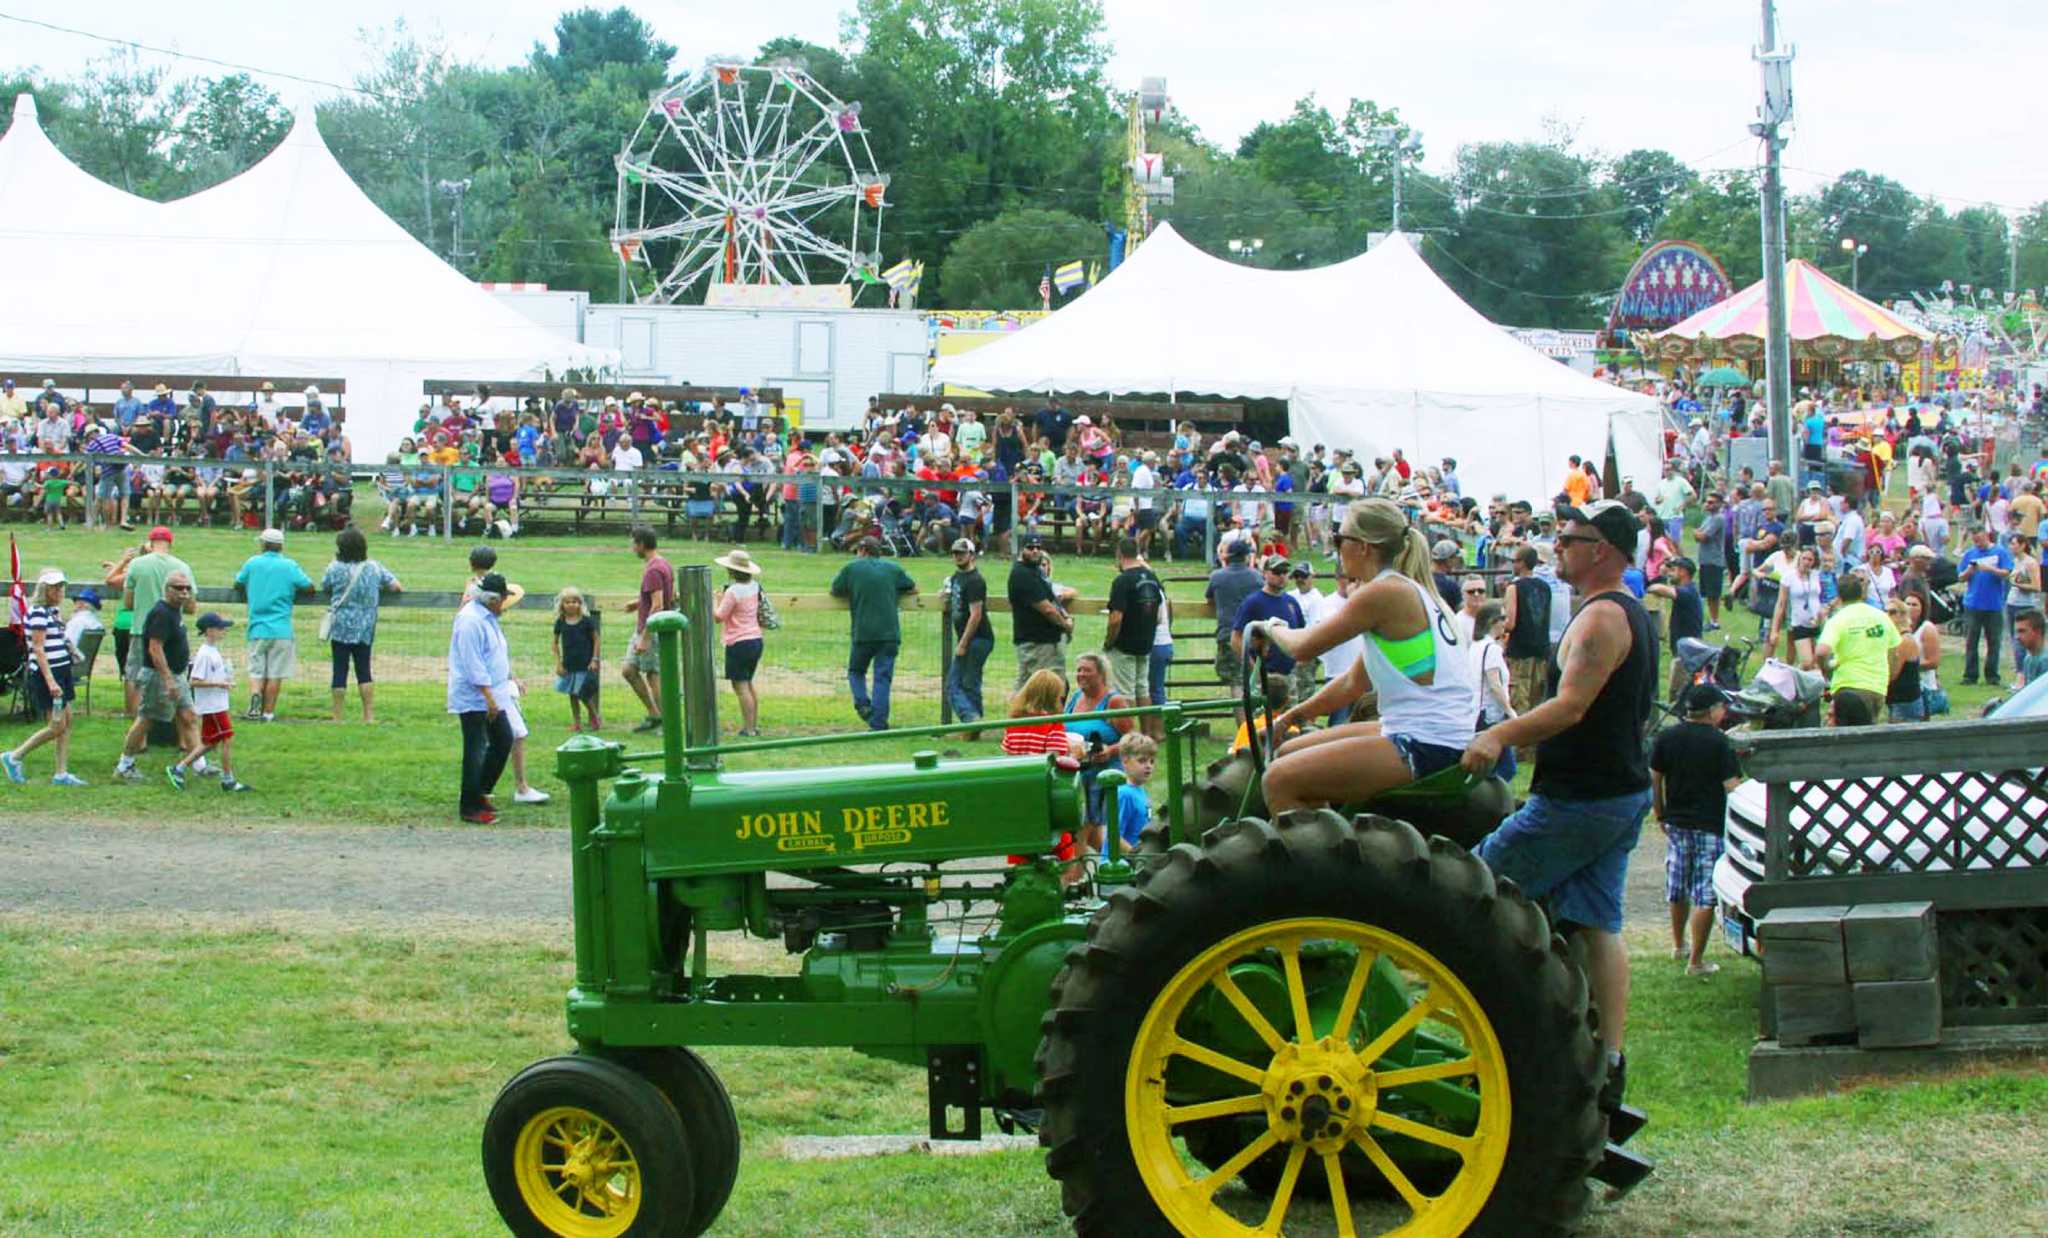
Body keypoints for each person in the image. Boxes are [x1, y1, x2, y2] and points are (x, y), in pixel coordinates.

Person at [1463, 500, 1657, 1113]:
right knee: (1599, 925)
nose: (1558, 546)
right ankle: (1609, 1063)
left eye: (1569, 538)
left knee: (1468, 891)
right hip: (1617, 793)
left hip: (1581, 798)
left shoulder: (1602, 621)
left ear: (1602, 549)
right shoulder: (1628, 612)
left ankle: (1483, 1051)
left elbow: (1571, 706)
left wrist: (1498, 734)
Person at [1255, 499, 1477, 810]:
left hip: (1427, 741)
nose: (1335, 547)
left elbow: (1303, 647)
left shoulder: (1385, 592)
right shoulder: (1408, 591)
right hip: (1429, 733)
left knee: (1277, 779)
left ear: (1363, 547)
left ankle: (1317, 854)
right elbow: (1352, 684)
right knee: (1287, 754)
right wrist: (1289, 719)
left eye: (1338, 538)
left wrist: (1270, 625)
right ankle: (1327, 838)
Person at [1649, 684, 1744, 977]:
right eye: (1722, 708)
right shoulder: (1719, 743)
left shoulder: (1667, 737)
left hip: (1676, 822)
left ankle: (1679, 945)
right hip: (1709, 825)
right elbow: (1731, 787)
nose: (1724, 713)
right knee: (1705, 893)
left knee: (1678, 886)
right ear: (1712, 711)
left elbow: (1655, 777)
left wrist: (1660, 811)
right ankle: (1697, 962)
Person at [116, 570, 205, 784]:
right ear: (167, 590)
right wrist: (167, 680)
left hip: (177, 674)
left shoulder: (175, 611)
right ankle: (124, 764)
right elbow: (155, 649)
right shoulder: (162, 613)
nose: (184, 592)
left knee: (189, 717)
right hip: (160, 677)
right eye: (178, 588)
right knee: (147, 719)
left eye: (187, 588)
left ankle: (199, 765)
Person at [1, 569, 87, 786]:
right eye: (55, 587)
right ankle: (14, 757)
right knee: (56, 724)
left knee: (66, 722)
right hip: (48, 674)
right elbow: (38, 649)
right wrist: (50, 681)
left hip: (61, 671)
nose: (59, 591)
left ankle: (61, 773)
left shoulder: (52, 612)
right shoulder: (38, 612)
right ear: (45, 590)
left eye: (61, 587)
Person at [830, 536, 917, 731]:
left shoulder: (852, 569)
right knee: (882, 678)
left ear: (862, 550)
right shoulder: (893, 569)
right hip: (889, 634)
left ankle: (862, 704)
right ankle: (878, 723)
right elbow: (912, 587)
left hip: (863, 632)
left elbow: (835, 590)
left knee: (856, 671)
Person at [450, 572, 515, 824]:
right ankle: (469, 806)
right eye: (502, 599)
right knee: (475, 749)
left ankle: (480, 791)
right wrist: (488, 697)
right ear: (491, 599)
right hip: (474, 696)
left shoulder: (487, 618)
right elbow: (472, 663)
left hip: (491, 693)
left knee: (503, 739)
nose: (505, 604)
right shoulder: (470, 621)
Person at [321, 526, 402, 724]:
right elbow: (396, 586)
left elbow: (325, 586)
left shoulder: (334, 568)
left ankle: (337, 716)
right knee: (364, 670)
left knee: (339, 671)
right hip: (365, 626)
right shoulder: (373, 567)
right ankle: (368, 715)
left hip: (341, 626)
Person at [234, 528, 313, 722]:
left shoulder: (252, 563)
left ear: (262, 544)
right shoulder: (289, 566)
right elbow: (309, 586)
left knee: (256, 671)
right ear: (281, 546)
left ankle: (254, 706)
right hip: (281, 628)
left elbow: (238, 582)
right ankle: (268, 713)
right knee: (276, 673)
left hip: (257, 627)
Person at [171, 613, 253, 791]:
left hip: (218, 703)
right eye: (220, 628)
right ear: (209, 631)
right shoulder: (204, 654)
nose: (224, 631)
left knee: (210, 742)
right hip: (213, 706)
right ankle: (228, 779)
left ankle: (179, 768)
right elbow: (194, 680)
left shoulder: (213, 651)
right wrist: (220, 683)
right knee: (227, 739)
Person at [1065, 651, 1134, 856]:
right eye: (1079, 670)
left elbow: (1132, 737)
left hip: (1103, 777)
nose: (1081, 674)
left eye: (1087, 670)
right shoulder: (1075, 698)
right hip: (1078, 775)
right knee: (1094, 836)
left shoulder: (1114, 701)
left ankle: (1072, 881)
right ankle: (1136, 862)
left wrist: (1110, 750)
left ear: (1101, 674)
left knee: (1082, 833)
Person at [1814, 573, 1901, 728]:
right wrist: (1887, 679)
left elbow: (1821, 651)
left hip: (1848, 686)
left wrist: (1826, 669)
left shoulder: (1838, 620)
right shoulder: (1882, 617)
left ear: (1839, 596)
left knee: (1841, 739)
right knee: (1868, 737)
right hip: (1877, 687)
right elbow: (1894, 652)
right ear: (1861, 592)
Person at [1103, 538, 1165, 734]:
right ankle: (1146, 734)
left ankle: (1128, 735)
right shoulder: (1152, 577)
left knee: (1125, 691)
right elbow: (1158, 614)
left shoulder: (1122, 581)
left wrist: (1109, 641)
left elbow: (1116, 618)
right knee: (1142, 689)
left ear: (1119, 554)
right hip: (1145, 641)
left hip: (1125, 643)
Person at [1499, 545, 1553, 762]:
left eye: (1515, 561)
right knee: (1536, 699)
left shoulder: (1514, 587)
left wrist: (1499, 628)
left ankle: (1519, 750)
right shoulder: (1544, 587)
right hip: (1541, 649)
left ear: (1521, 563)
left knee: (1518, 699)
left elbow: (1510, 622)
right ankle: (1533, 748)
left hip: (1519, 649)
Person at [621, 525, 676, 733]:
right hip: (644, 627)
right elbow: (669, 595)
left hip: (651, 631)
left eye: (633, 544)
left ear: (641, 544)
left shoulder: (654, 569)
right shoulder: (663, 564)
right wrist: (637, 603)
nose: (632, 548)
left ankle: (668, 723)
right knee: (629, 670)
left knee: (654, 676)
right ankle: (655, 714)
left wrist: (645, 637)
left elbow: (658, 605)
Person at [712, 548, 766, 737]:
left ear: (731, 571)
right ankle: (753, 725)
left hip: (739, 642)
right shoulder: (754, 586)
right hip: (755, 639)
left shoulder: (734, 591)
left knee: (740, 686)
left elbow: (718, 617)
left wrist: (714, 600)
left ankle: (749, 729)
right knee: (748, 684)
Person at [944, 538, 995, 731]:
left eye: (961, 553)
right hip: (970, 639)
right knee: (970, 683)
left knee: (954, 685)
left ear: (972, 555)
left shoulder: (975, 581)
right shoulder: (957, 577)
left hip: (978, 639)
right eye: (955, 553)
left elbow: (976, 615)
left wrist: (963, 643)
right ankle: (976, 723)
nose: (957, 556)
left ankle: (971, 720)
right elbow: (956, 595)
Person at [1009, 536, 1073, 690]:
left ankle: (1017, 713)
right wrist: (1065, 625)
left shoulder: (1035, 571)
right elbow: (1047, 608)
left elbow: (1054, 600)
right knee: (1044, 690)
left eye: (1038, 547)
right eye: (1030, 547)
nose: (1035, 551)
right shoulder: (1022, 574)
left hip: (1043, 641)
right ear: (1021, 550)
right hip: (1037, 643)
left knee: (1026, 688)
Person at [1957, 526, 2014, 686]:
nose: (1978, 543)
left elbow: (2007, 572)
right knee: (1971, 641)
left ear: (1986, 536)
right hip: (1973, 603)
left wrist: (1990, 569)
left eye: (1980, 540)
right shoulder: (1970, 554)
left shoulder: (1999, 552)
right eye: (1975, 540)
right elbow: (1960, 577)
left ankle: (1992, 675)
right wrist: (1970, 570)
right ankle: (1970, 675)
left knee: (1994, 641)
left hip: (1994, 604)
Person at [1648, 557, 1706, 701]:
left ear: (1683, 572)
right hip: (1690, 652)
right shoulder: (1690, 589)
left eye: (1673, 570)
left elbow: (1656, 589)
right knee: (1693, 690)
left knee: (1678, 696)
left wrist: (1660, 577)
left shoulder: (1687, 592)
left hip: (1687, 654)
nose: (1670, 573)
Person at [1470, 601, 1516, 780]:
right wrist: (1510, 711)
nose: (1506, 622)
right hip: (1490, 715)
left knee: (1492, 768)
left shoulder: (1475, 646)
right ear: (1492, 621)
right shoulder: (1492, 649)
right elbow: (1495, 684)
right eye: (1502, 618)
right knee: (1506, 769)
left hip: (1477, 712)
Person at [1765, 545, 1826, 668]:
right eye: (1804, 558)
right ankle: (1793, 675)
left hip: (1816, 621)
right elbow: (1781, 604)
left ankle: (1798, 679)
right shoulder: (1789, 577)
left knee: (1817, 662)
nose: (1806, 562)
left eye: (1810, 560)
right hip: (1799, 622)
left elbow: (1821, 598)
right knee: (1807, 661)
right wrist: (1774, 630)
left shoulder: (1816, 575)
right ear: (1799, 558)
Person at [552, 588, 602, 732]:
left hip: (585, 664)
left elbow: (596, 639)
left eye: (575, 602)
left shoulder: (586, 621)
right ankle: (577, 722)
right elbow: (555, 643)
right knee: (572, 694)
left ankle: (594, 717)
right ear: (562, 605)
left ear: (580, 604)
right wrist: (558, 663)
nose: (571, 605)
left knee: (583, 693)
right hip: (569, 664)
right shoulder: (560, 622)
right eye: (567, 602)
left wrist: (595, 659)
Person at [1107, 731, 1158, 859]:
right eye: (1142, 761)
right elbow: (1114, 836)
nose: (1148, 766)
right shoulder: (1124, 794)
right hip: (1121, 867)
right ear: (1125, 761)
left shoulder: (1141, 791)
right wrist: (1137, 857)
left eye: (1152, 762)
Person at [2004, 534, 2041, 683]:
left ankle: (2022, 677)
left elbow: (2036, 586)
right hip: (2012, 603)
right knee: (2014, 640)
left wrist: (2018, 584)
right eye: (2010, 544)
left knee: (2021, 641)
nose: (2011, 547)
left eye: (2014, 544)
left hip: (2025, 606)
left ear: (2023, 545)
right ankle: (2020, 674)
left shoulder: (2030, 563)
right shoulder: (2015, 561)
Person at [1884, 599, 1926, 722]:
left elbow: (1892, 673)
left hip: (1905, 702)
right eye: (1885, 611)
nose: (1887, 616)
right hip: (1897, 700)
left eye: (1891, 612)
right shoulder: (1895, 638)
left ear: (1902, 615)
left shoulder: (1904, 640)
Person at [2013, 609, 2048, 687]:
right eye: (2017, 632)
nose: (2017, 637)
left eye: (2022, 631)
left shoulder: (2045, 661)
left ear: (2038, 632)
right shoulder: (2028, 659)